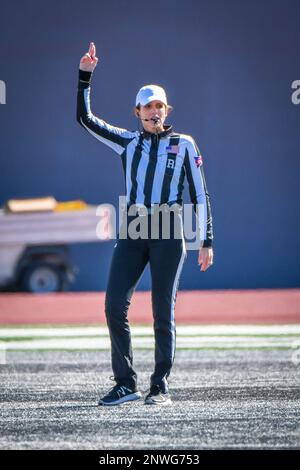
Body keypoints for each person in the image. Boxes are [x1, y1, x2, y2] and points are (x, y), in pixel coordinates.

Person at [77, 42, 214, 406]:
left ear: (167, 110)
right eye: (148, 106)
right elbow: (86, 120)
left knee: (161, 309)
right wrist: (84, 78)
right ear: (137, 111)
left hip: (169, 230)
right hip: (135, 228)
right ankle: (125, 382)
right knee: (113, 305)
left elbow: (200, 195)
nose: (155, 111)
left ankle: (160, 384)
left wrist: (206, 240)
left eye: (160, 105)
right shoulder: (128, 141)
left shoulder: (184, 144)